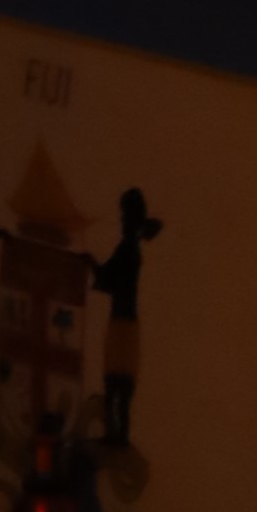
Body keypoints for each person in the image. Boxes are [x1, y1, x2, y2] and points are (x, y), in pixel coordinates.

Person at [94, 189, 162, 444]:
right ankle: (118, 433)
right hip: (126, 322)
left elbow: (108, 279)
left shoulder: (126, 249)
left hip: (121, 322)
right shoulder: (129, 248)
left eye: (125, 216)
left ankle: (116, 434)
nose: (121, 221)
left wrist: (93, 266)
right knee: (121, 383)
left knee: (114, 382)